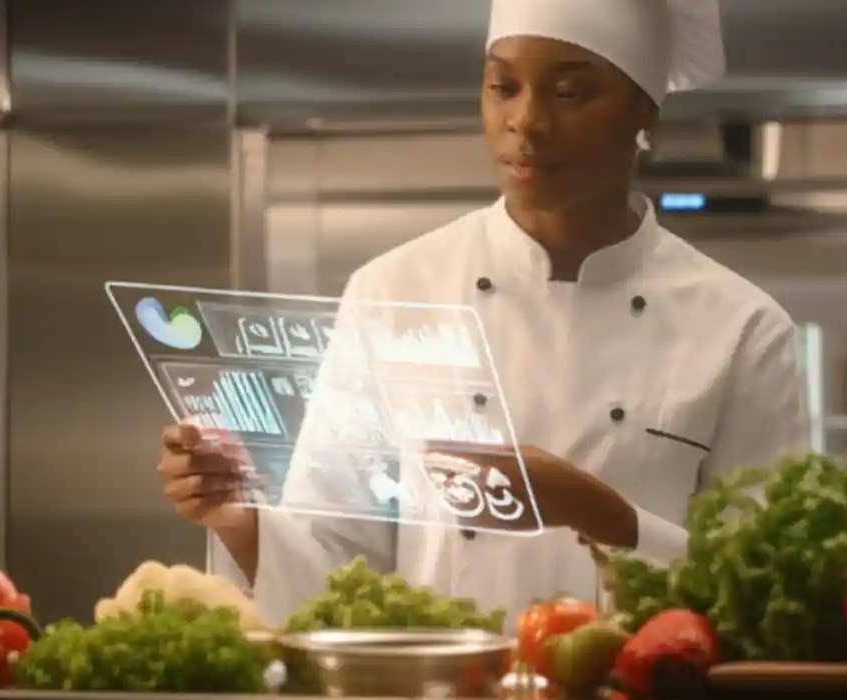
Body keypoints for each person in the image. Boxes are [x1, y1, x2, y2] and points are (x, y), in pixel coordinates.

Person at [159, 0, 810, 629]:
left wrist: (607, 517)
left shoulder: (742, 330)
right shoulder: (393, 292)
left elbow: (766, 594)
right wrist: (235, 514)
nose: (527, 122)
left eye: (569, 93)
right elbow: (333, 560)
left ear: (645, 112)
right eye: (504, 86)